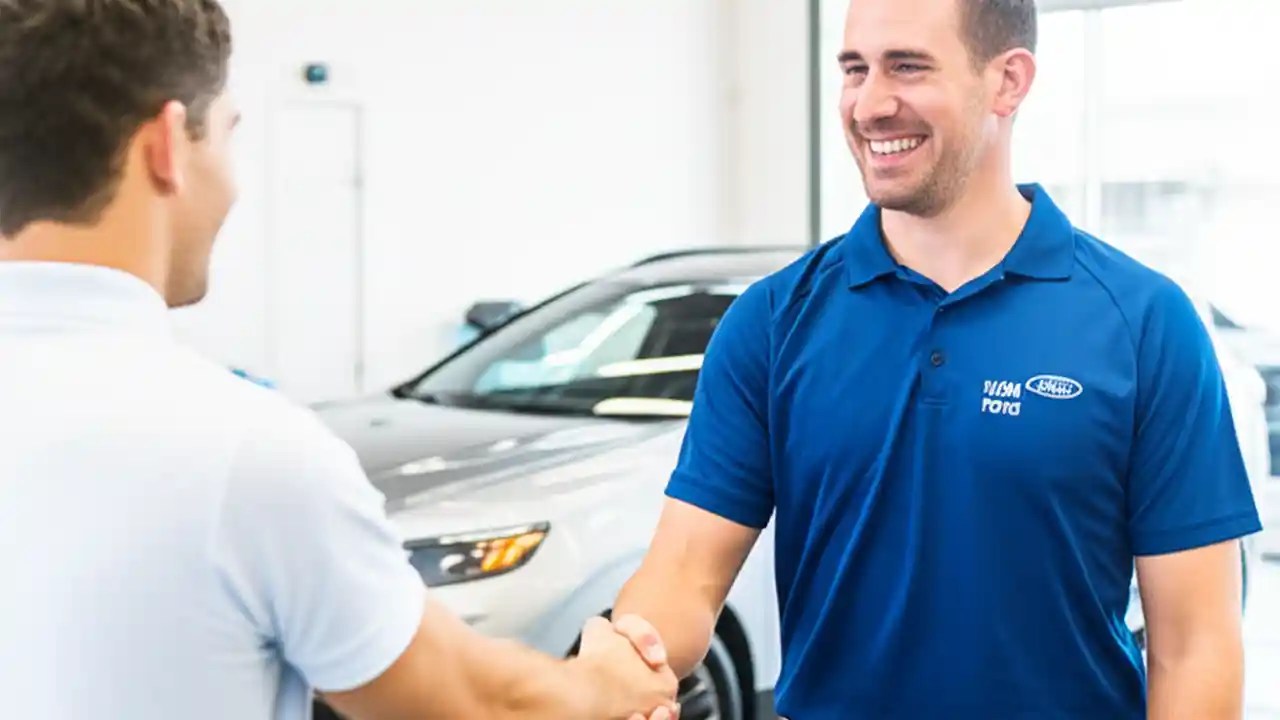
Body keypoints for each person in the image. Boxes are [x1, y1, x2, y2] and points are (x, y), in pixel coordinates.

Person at [0, 2, 678, 719]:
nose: (232, 182)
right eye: (227, 135)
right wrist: (608, 685)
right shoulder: (240, 451)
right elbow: (482, 703)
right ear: (167, 145)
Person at [609, 0, 1263, 717]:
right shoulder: (770, 322)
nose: (869, 105)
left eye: (907, 67)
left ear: (1008, 81)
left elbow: (1195, 645)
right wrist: (620, 667)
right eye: (854, 69)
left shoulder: (1145, 323)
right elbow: (683, 577)